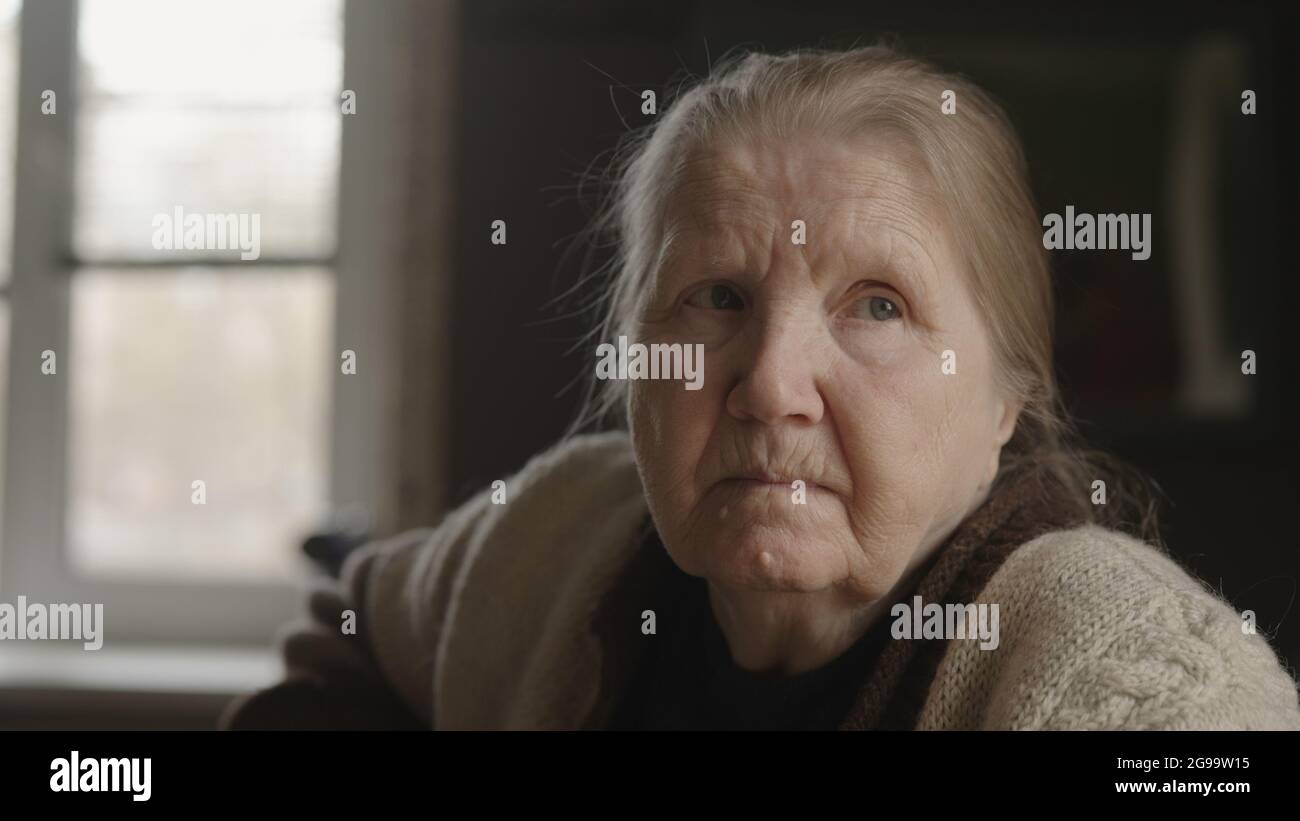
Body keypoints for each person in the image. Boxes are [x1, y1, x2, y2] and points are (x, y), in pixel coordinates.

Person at [222, 45, 1300, 731]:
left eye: (877, 304)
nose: (770, 385)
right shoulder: (559, 532)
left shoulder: (1153, 692)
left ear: (1007, 393)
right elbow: (356, 641)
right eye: (716, 296)